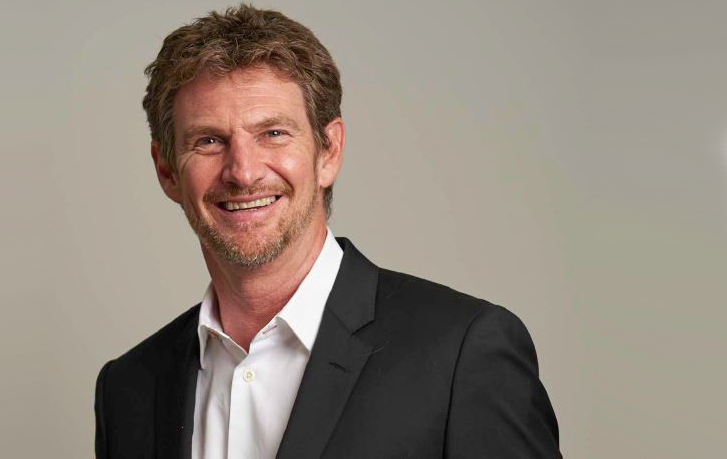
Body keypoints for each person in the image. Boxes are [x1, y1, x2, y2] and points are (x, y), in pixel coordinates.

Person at [94, 4, 561, 458]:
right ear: (167, 170)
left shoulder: (462, 353)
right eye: (209, 141)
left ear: (329, 151)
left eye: (273, 133)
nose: (243, 172)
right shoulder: (128, 389)